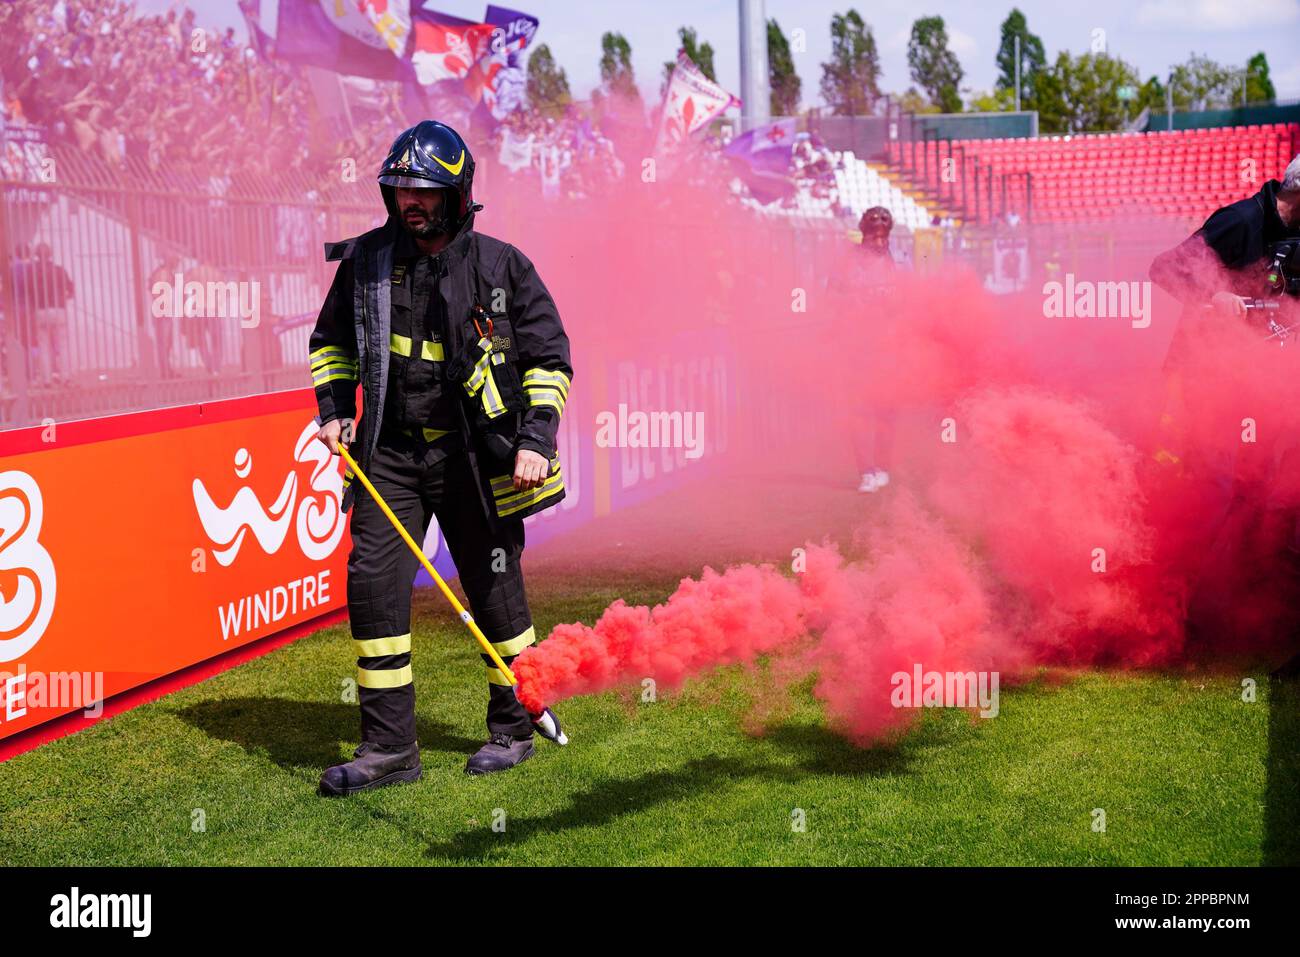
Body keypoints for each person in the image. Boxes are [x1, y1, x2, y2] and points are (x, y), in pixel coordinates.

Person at [309, 120, 573, 795]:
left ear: (458, 194)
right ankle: (390, 748)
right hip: (388, 455)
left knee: (495, 593)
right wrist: (336, 406)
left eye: (424, 191)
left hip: (476, 460)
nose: (409, 203)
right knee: (372, 590)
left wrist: (537, 440)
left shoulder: (503, 265)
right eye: (399, 190)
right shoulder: (364, 263)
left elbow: (550, 359)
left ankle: (514, 726)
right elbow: (329, 343)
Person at [854, 206, 898, 494]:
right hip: (856, 346)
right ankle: (865, 471)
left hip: (888, 347)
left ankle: (881, 466)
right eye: (874, 236)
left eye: (883, 236)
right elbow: (831, 296)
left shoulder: (896, 261)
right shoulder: (848, 263)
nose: (879, 242)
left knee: (887, 410)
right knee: (858, 410)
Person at [27, 243, 74, 385]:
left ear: (36, 255)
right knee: (63, 345)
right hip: (58, 309)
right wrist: (63, 298)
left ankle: (46, 380)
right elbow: (71, 290)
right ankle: (65, 377)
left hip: (41, 310)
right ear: (50, 255)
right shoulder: (59, 270)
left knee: (43, 346)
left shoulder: (32, 273)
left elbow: (29, 293)